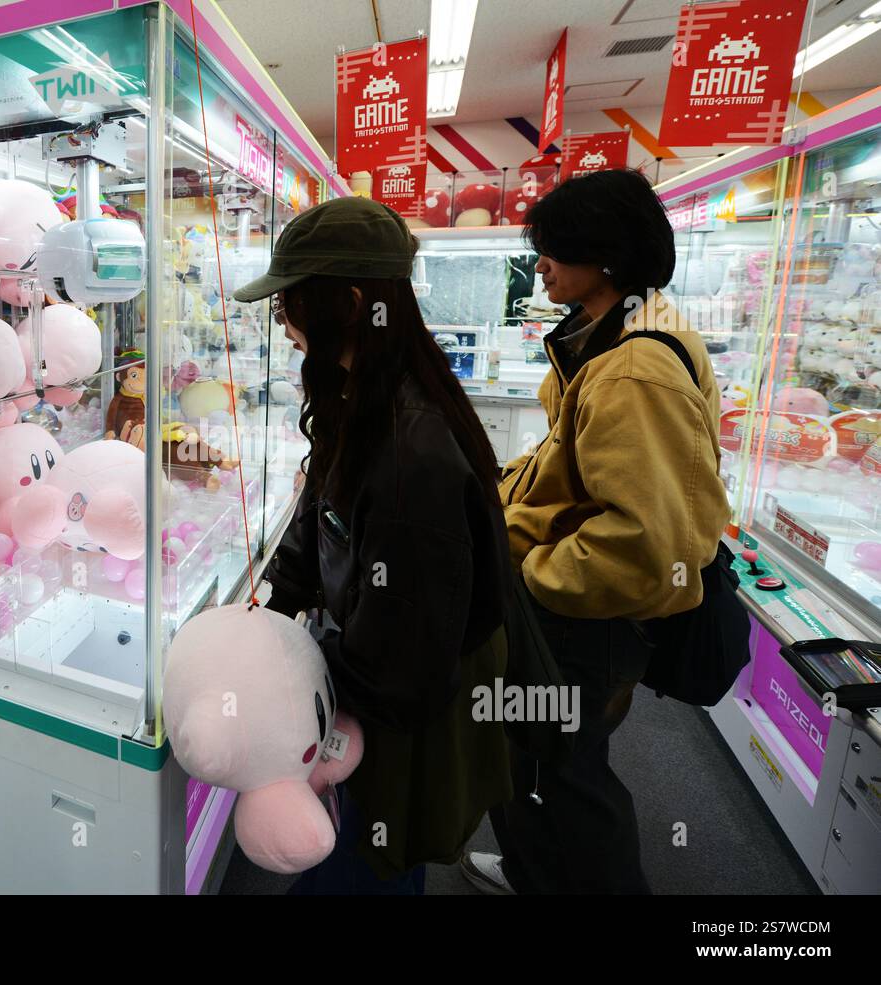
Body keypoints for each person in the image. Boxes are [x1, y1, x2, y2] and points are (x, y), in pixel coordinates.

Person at [460, 169, 730, 895]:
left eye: (553, 249)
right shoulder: (628, 332)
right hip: (579, 617)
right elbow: (573, 462)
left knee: (561, 770)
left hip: (581, 623)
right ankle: (534, 870)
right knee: (539, 757)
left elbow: (646, 544)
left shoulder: (634, 367)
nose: (540, 264)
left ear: (605, 256)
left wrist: (531, 576)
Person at [235, 197, 513, 894]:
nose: (285, 325)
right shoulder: (362, 398)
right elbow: (315, 523)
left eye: (287, 304)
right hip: (376, 686)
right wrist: (270, 605)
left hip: (404, 718)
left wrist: (296, 666)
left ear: (349, 303)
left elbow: (402, 671)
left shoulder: (408, 454)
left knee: (372, 862)